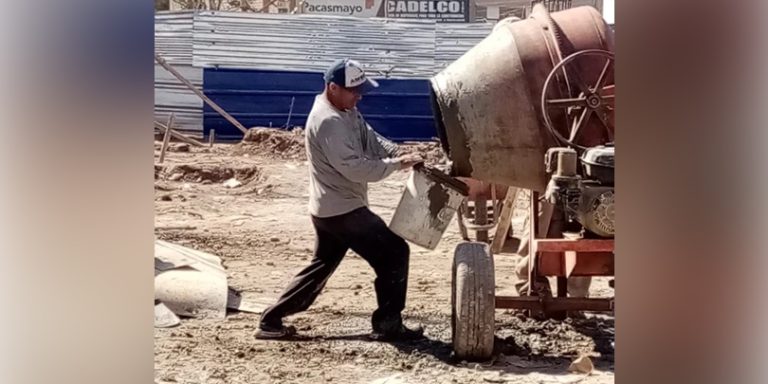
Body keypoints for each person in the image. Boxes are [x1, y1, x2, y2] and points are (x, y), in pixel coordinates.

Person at [255, 58, 424, 341]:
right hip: (343, 211)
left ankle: (271, 321)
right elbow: (356, 168)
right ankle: (388, 324)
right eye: (353, 91)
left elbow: (370, 138)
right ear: (333, 88)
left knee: (321, 265)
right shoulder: (328, 121)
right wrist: (397, 164)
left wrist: (399, 152)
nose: (359, 96)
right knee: (395, 252)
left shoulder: (346, 110)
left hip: (330, 209)